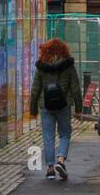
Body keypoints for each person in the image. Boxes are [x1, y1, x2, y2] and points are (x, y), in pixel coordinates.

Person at [29, 37, 83, 181]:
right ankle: (61, 160)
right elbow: (76, 88)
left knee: (48, 136)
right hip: (63, 105)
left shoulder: (41, 66)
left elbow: (35, 89)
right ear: (64, 50)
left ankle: (50, 168)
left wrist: (33, 110)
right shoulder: (68, 65)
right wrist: (79, 107)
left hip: (45, 106)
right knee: (65, 134)